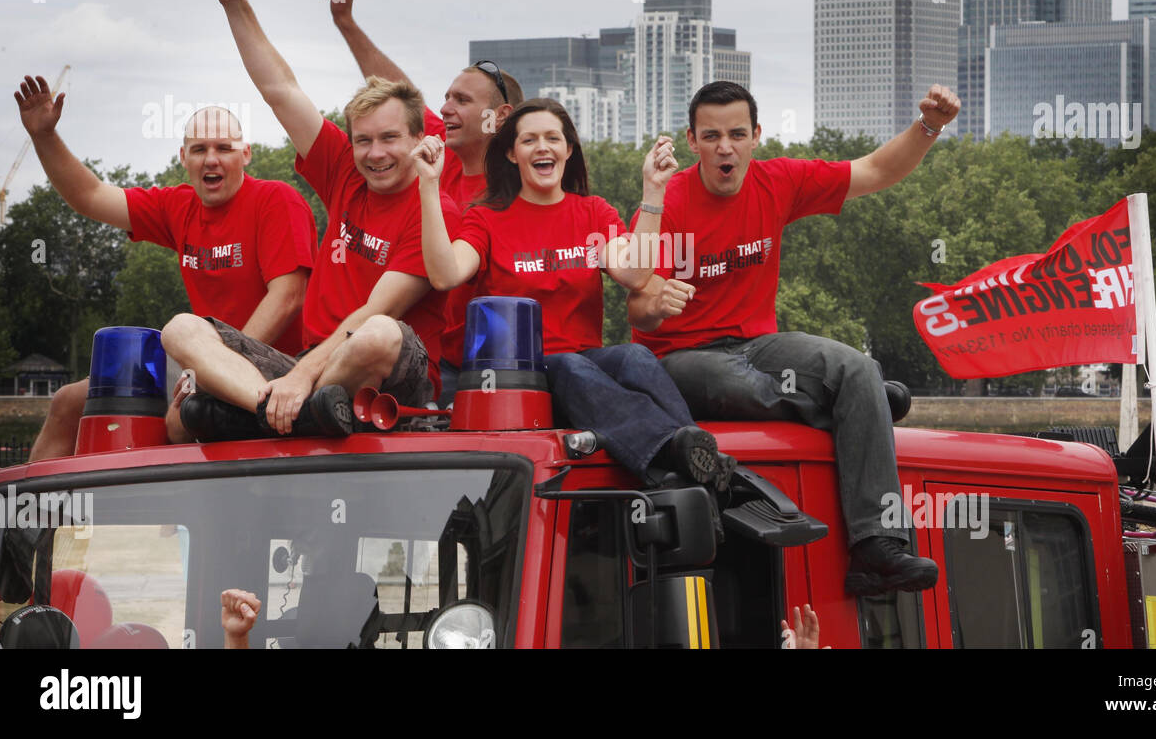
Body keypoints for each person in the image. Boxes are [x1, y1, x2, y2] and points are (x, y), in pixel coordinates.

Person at [627, 80, 961, 597]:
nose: (725, 147)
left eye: (737, 134)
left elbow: (874, 171)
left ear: (756, 136)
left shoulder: (779, 180)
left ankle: (876, 546)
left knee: (853, 366)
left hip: (759, 346)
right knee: (735, 378)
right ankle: (860, 404)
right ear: (693, 142)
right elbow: (639, 311)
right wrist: (657, 301)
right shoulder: (668, 203)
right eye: (711, 136)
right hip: (681, 358)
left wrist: (930, 125)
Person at [160, 0, 460, 440]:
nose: (374, 153)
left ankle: (269, 411)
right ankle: (278, 411)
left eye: (389, 139)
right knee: (181, 330)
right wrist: (235, 4)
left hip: (391, 376)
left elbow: (372, 314)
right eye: (363, 140)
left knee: (378, 333)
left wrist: (300, 377)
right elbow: (279, 89)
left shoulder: (434, 210)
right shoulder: (344, 169)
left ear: (416, 139)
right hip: (311, 366)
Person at [411, 98, 734, 489]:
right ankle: (673, 447)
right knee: (567, 366)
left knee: (634, 355)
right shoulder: (487, 218)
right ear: (512, 153)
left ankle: (700, 454)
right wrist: (428, 185)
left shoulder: (593, 213)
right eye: (529, 140)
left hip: (585, 365)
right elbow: (445, 274)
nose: (542, 147)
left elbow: (634, 273)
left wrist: (654, 190)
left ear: (567, 150)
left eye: (552, 138)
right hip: (523, 375)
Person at [13, 77, 316, 458]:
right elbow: (89, 196)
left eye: (224, 148)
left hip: (276, 364)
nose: (211, 158)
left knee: (179, 422)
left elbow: (288, 297)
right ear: (183, 157)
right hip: (203, 357)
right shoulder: (178, 207)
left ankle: (166, 506)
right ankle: (37, 512)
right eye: (200, 148)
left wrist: (216, 371)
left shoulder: (276, 200)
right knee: (68, 400)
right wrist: (44, 136)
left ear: (246, 155)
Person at [315, 0, 524, 404]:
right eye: (445, 98)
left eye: (461, 100)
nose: (445, 108)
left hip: (500, 362)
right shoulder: (433, 157)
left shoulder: (526, 183)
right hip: (434, 355)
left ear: (498, 117)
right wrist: (346, 23)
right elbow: (397, 93)